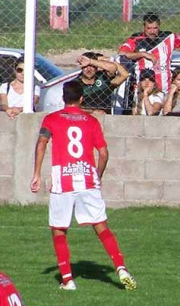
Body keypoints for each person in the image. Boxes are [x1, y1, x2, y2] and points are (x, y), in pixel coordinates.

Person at [30, 80, 137, 291]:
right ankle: (121, 268)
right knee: (101, 227)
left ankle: (68, 280)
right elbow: (104, 153)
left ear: (63, 98)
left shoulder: (51, 119)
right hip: (87, 179)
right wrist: (97, 175)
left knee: (59, 230)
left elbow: (42, 142)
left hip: (63, 181)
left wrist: (36, 174)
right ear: (82, 98)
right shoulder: (91, 121)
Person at [118, 12, 180, 95]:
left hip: (164, 89)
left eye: (155, 28)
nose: (152, 31)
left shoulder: (168, 37)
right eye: (149, 28)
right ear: (144, 26)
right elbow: (122, 53)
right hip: (143, 89)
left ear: (159, 26)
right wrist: (143, 54)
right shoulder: (136, 38)